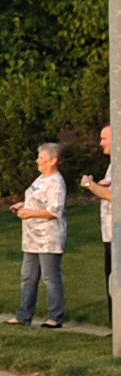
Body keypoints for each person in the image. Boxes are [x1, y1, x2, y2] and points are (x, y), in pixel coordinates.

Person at [7, 143, 69, 328]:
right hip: (32, 237)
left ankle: (55, 316)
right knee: (28, 276)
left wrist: (30, 213)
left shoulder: (56, 182)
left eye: (41, 158)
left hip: (48, 237)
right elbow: (36, 200)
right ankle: (24, 315)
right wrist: (22, 206)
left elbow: (54, 210)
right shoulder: (41, 179)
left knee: (50, 278)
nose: (38, 161)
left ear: (53, 160)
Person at [79, 125, 112, 324]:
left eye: (104, 138)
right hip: (109, 233)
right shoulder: (111, 165)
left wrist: (90, 185)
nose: (101, 143)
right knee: (110, 281)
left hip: (117, 234)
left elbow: (112, 196)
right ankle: (115, 327)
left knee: (116, 281)